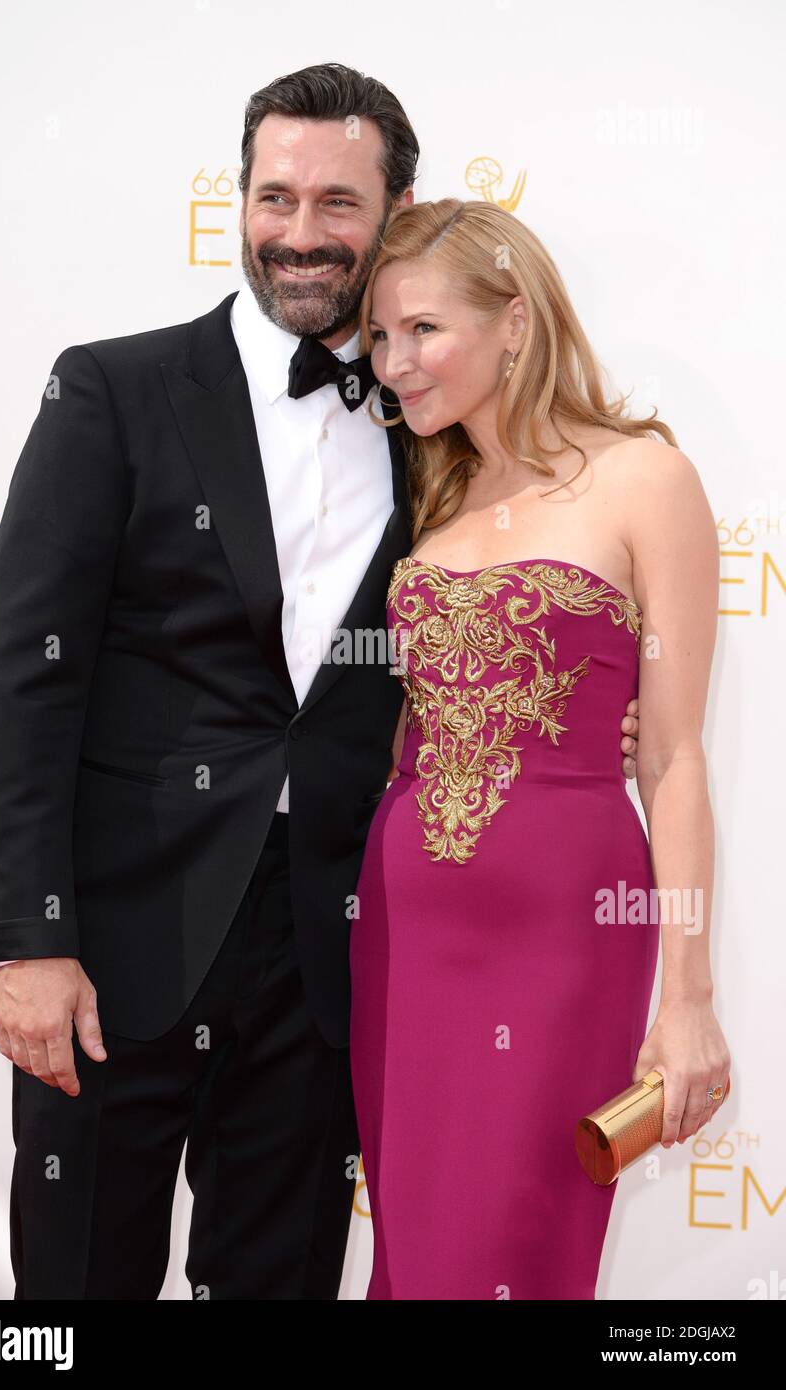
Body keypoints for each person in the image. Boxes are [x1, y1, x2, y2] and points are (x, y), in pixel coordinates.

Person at [0, 67, 642, 1299]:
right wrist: (25, 938)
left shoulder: (433, 430)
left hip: (337, 946)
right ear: (241, 203)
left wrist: (592, 706)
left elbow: (487, 629)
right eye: (275, 196)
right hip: (119, 934)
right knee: (72, 1287)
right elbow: (23, 679)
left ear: (400, 208)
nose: (302, 232)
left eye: (338, 199)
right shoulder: (114, 389)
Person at [348, 197, 732, 1300]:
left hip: (565, 928)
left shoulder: (644, 479)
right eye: (379, 335)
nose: (394, 361)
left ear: (515, 321)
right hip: (405, 927)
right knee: (415, 1258)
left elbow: (674, 759)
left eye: (422, 329)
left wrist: (689, 995)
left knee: (509, 1248)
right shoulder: (433, 498)